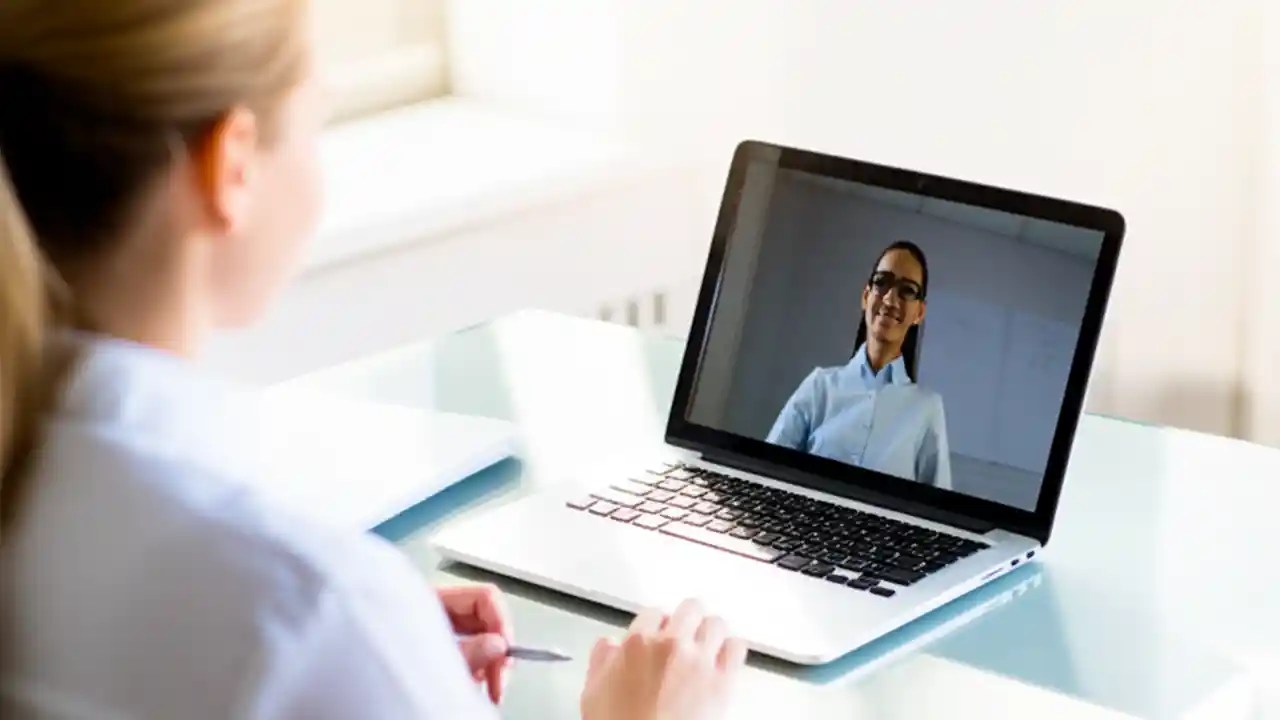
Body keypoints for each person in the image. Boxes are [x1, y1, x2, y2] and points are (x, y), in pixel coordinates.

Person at [0, 1, 745, 718]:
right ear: (232, 167)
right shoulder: (308, 605)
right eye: (313, 125)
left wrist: (378, 660)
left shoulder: (47, 483)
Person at [766, 241, 952, 489]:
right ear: (866, 296)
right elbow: (766, 473)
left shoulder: (927, 409)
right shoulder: (820, 386)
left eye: (907, 290)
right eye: (882, 282)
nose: (890, 299)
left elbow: (937, 506)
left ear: (919, 312)